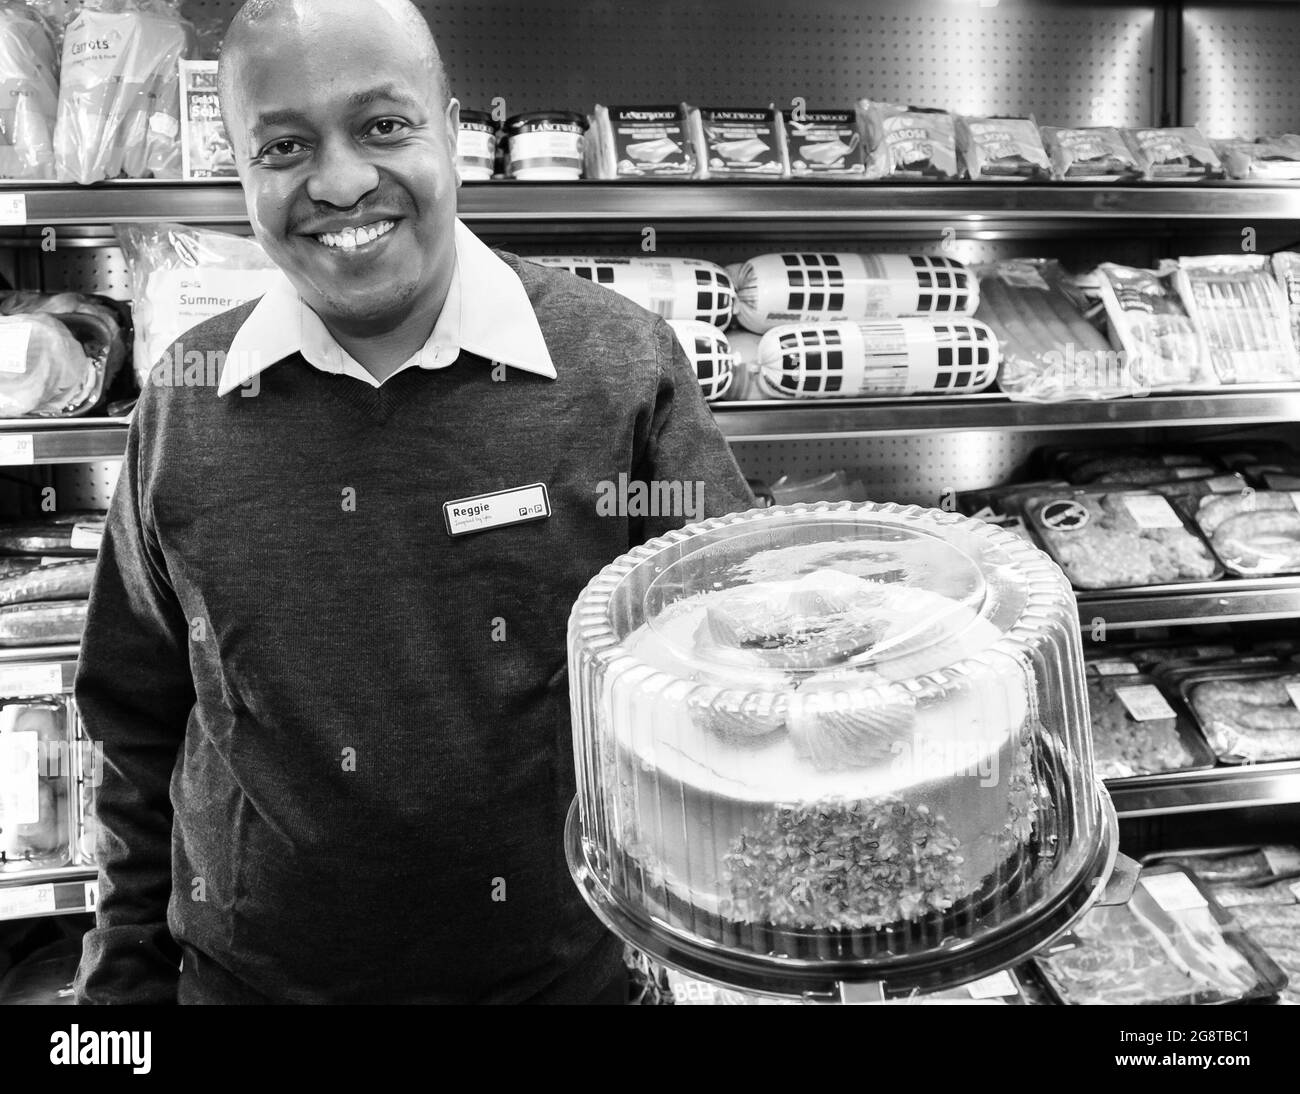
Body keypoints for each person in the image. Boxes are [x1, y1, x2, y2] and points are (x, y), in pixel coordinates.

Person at [74, 0, 753, 1004]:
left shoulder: (618, 368)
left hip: (559, 982)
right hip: (251, 986)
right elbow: (138, 723)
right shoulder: (186, 396)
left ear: (451, 131)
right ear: (241, 169)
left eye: (383, 126)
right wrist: (120, 997)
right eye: (285, 144)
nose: (341, 181)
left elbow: (731, 662)